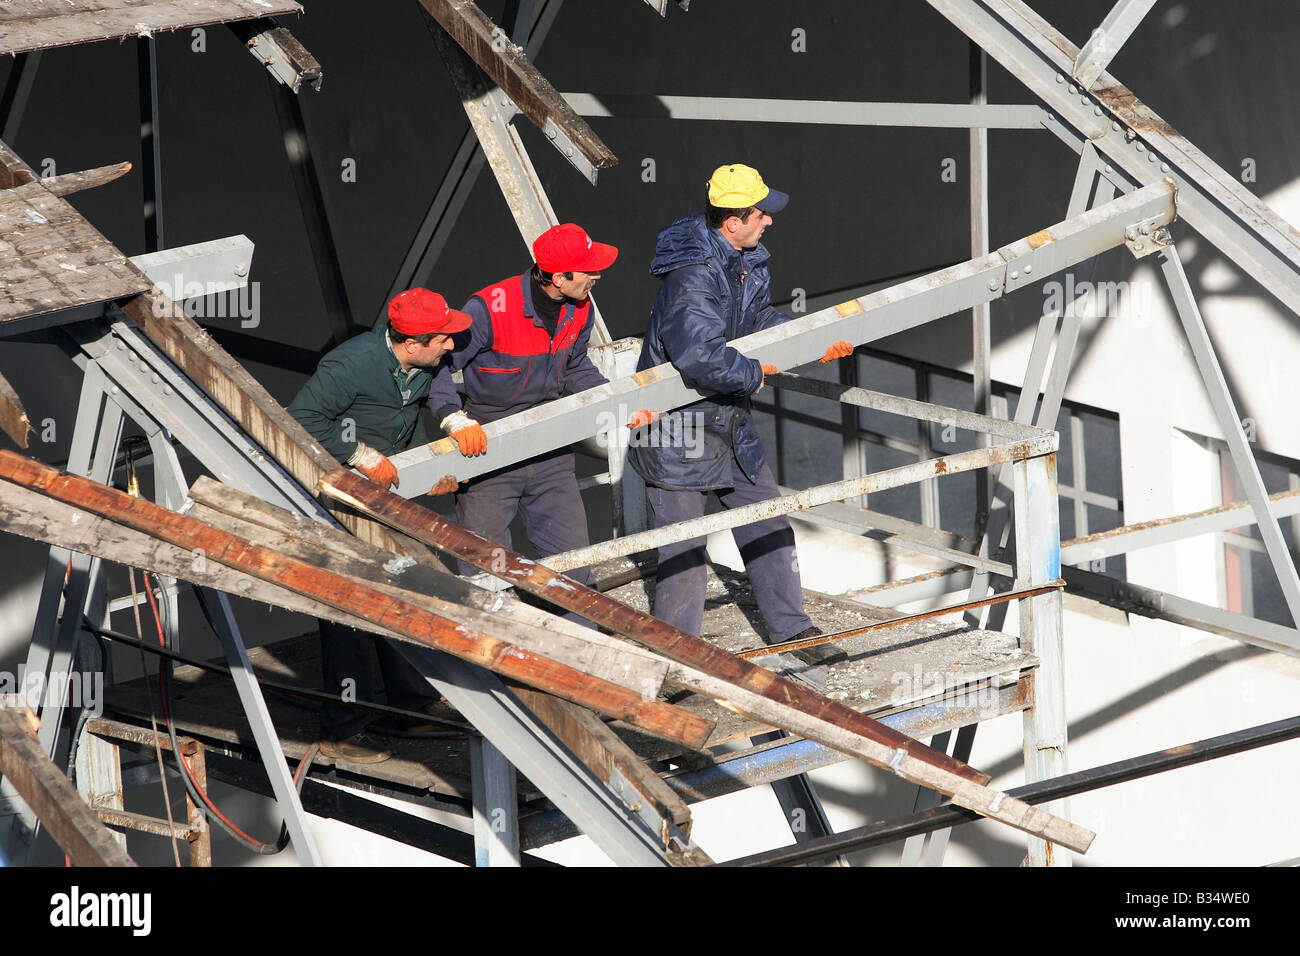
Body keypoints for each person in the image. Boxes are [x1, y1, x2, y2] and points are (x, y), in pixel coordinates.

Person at [627, 163, 854, 666]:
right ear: (733, 222)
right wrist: (754, 373)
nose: (769, 221)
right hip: (679, 428)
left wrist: (811, 339)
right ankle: (675, 660)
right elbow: (700, 356)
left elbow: (757, 321)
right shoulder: (692, 280)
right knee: (684, 553)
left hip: (726, 420)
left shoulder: (742, 260)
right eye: (761, 214)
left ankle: (793, 633)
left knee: (767, 522)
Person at [288, 287, 471, 762]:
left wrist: (433, 461)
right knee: (347, 609)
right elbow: (301, 418)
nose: (450, 346)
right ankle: (342, 730)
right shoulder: (351, 366)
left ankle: (405, 703)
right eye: (442, 340)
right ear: (411, 343)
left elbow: (429, 403)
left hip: (387, 498)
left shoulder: (422, 363)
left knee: (402, 589)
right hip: (339, 500)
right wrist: (363, 456)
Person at [428, 223, 650, 603]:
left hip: (550, 451)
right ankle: (494, 656)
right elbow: (435, 365)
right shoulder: (488, 309)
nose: (598, 276)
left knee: (573, 567)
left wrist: (617, 403)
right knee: (486, 570)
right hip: (488, 455)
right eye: (588, 270)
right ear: (558, 277)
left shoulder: (580, 308)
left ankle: (578, 648)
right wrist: (453, 418)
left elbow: (576, 366)